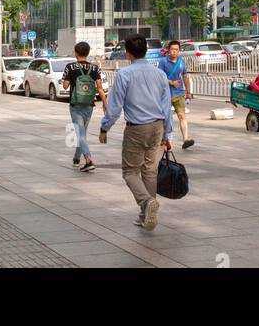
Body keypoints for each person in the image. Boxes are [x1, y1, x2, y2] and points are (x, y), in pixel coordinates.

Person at [99, 35, 173, 231]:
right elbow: (167, 107)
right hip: (157, 127)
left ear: (128, 53)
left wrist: (104, 127)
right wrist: (168, 134)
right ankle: (146, 215)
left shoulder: (125, 74)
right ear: (146, 51)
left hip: (136, 129)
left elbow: (114, 107)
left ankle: (146, 203)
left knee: (130, 172)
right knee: (150, 170)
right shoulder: (160, 75)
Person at [62, 42, 108, 172]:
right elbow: (100, 88)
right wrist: (105, 103)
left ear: (76, 53)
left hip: (75, 105)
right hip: (89, 105)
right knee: (82, 133)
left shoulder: (70, 67)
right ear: (88, 53)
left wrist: (68, 80)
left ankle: (88, 160)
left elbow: (65, 86)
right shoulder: (94, 68)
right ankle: (76, 158)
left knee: (80, 134)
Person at [156, 40, 194, 149]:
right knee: (167, 118)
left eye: (176, 50)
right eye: (172, 49)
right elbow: (160, 78)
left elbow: (185, 77)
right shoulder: (163, 62)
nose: (174, 52)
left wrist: (188, 92)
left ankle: (185, 139)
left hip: (178, 94)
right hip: (165, 95)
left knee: (182, 116)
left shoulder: (181, 62)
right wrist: (172, 82)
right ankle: (168, 140)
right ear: (168, 50)